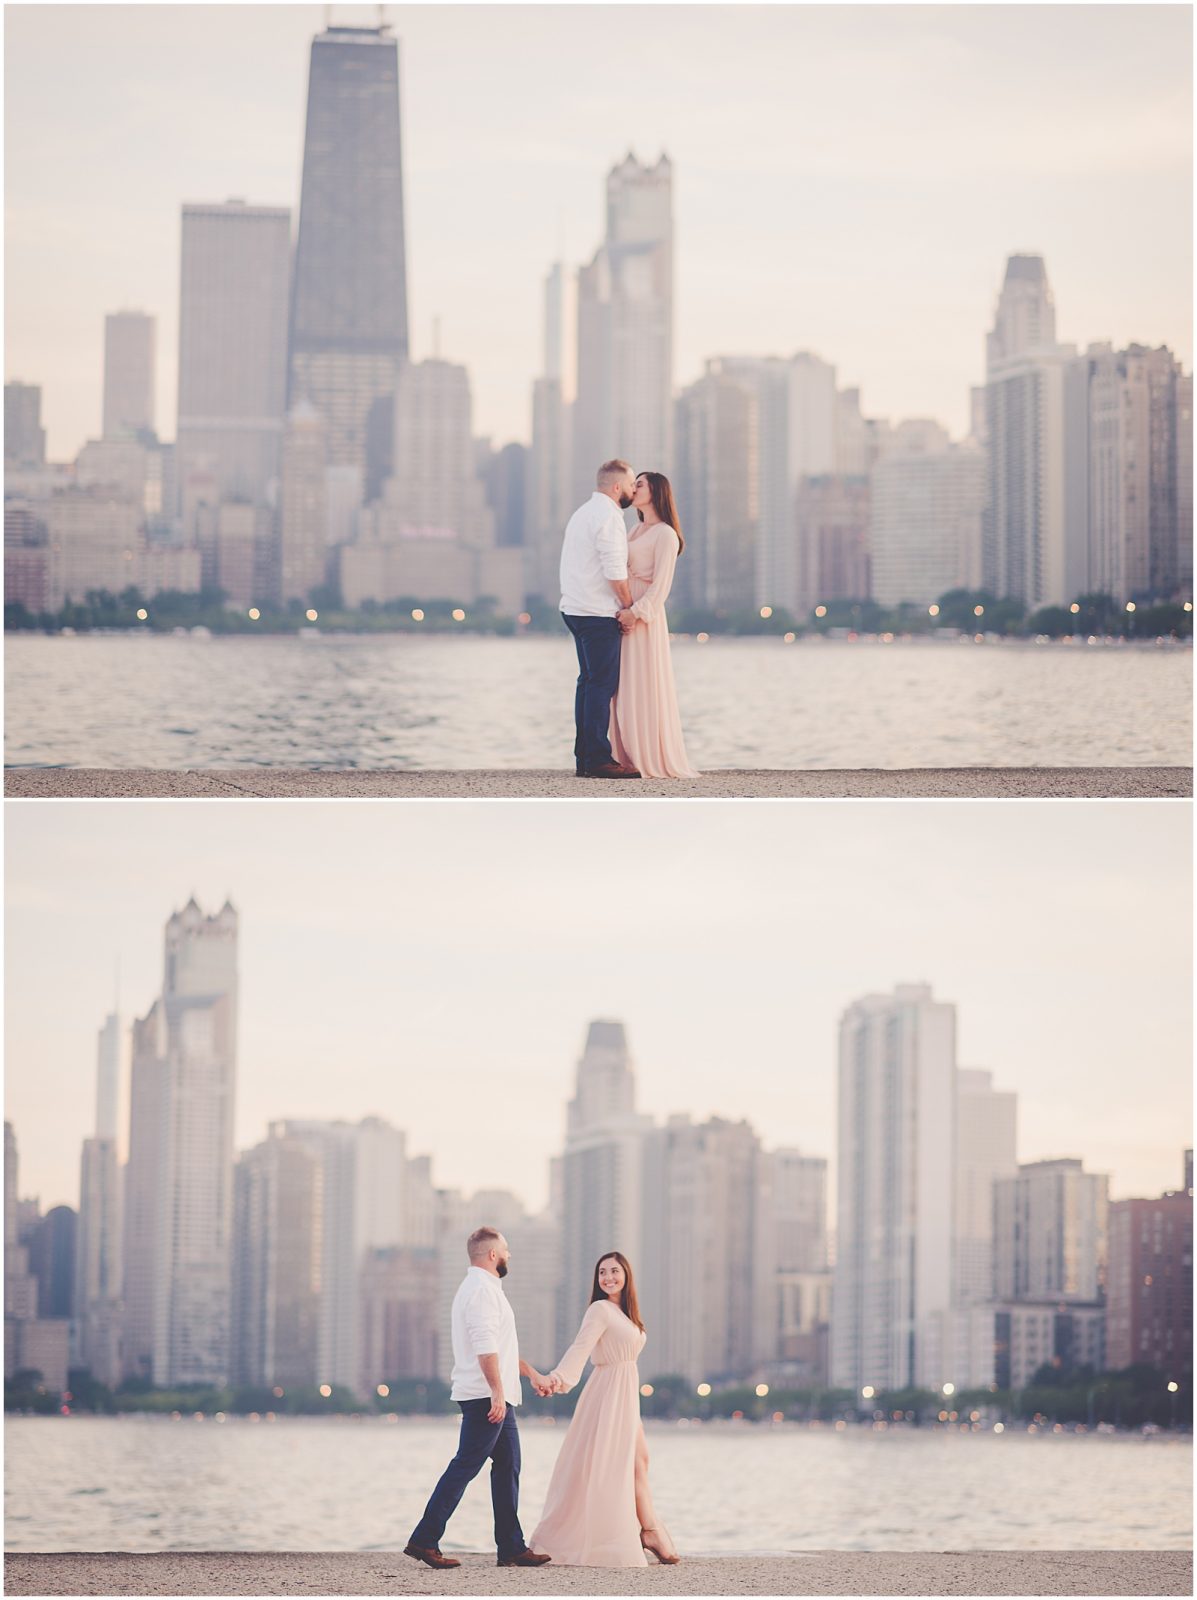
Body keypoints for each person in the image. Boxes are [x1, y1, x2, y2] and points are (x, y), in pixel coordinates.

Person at [405, 1228, 555, 1571]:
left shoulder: (485, 1289)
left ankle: (511, 1548)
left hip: (495, 1395)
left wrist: (531, 1374)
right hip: (486, 1397)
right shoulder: (480, 1291)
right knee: (465, 1466)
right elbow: (484, 1348)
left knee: (508, 1466)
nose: (509, 1255)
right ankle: (424, 1540)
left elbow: (500, 1351)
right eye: (506, 1250)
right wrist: (497, 1394)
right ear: (491, 1255)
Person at [527, 1252, 680, 1567]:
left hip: (625, 1390)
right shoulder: (600, 1309)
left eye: (614, 1271)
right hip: (608, 1391)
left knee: (640, 1460)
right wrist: (557, 1378)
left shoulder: (627, 1314)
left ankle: (649, 1530)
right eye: (602, 1273)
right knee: (613, 1465)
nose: (608, 1277)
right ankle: (645, 1531)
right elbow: (580, 1347)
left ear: (626, 1275)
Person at [609, 472, 699, 779]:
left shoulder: (665, 534)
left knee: (642, 683)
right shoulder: (633, 529)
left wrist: (636, 612)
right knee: (620, 687)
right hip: (621, 610)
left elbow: (661, 586)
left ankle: (648, 755)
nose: (633, 488)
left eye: (640, 484)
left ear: (657, 491)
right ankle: (622, 755)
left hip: (643, 618)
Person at [559, 460, 642, 780]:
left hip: (575, 609)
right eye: (632, 485)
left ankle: (585, 757)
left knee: (588, 683)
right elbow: (614, 570)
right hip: (596, 613)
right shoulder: (609, 517)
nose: (634, 490)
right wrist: (628, 607)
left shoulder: (583, 513)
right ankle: (597, 759)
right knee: (600, 686)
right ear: (617, 487)